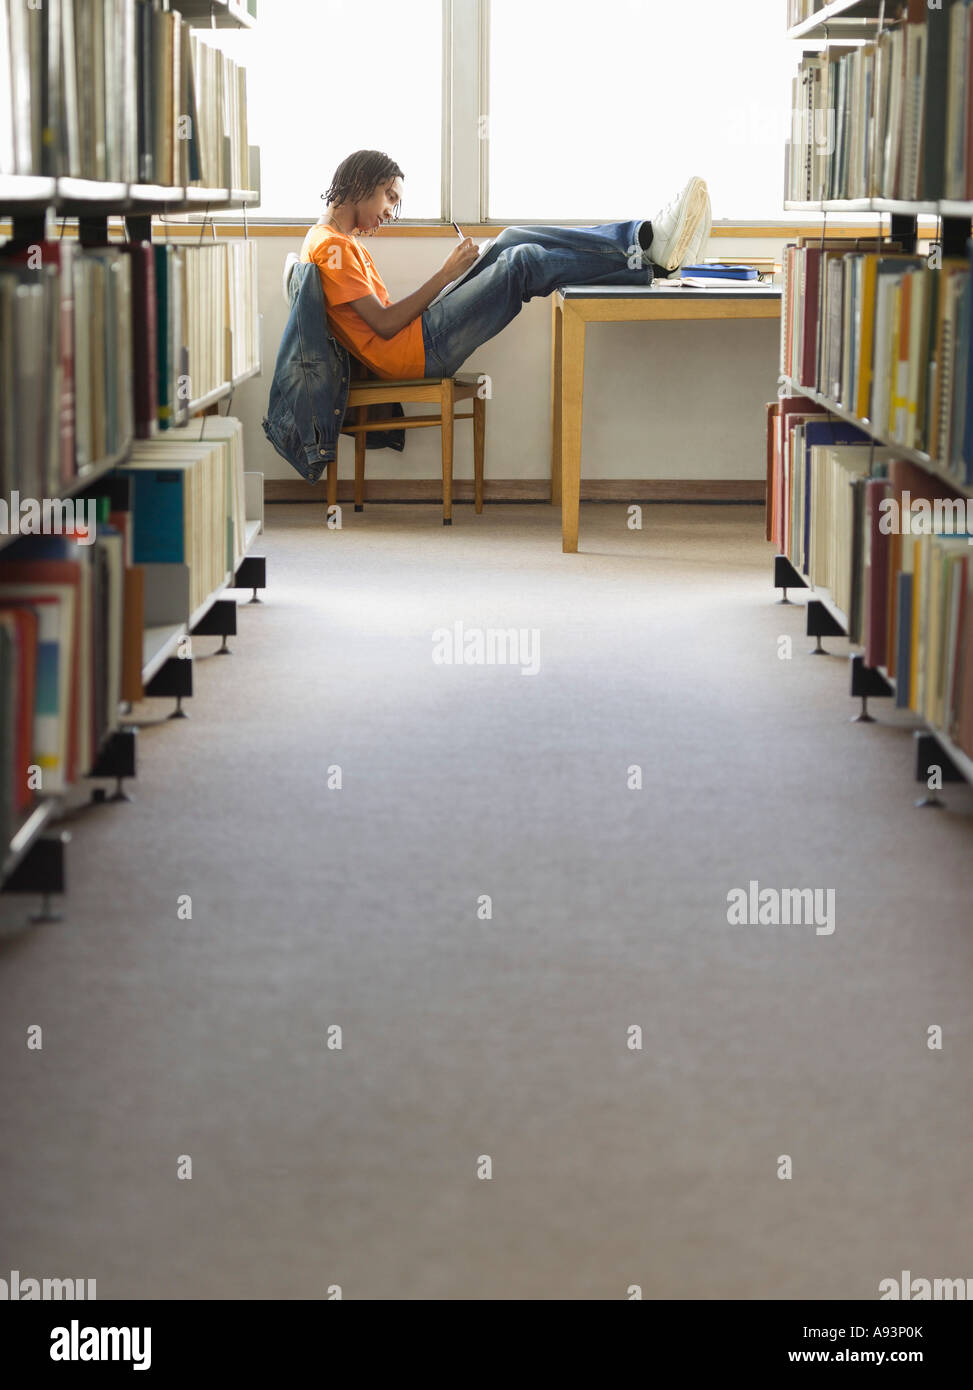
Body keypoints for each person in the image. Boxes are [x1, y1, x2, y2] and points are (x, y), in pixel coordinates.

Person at [298, 149, 711, 381]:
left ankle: (645, 239)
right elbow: (384, 325)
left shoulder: (335, 241)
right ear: (358, 185)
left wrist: (449, 278)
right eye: (390, 197)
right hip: (416, 351)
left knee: (511, 237)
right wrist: (446, 274)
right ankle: (650, 265)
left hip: (417, 336)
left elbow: (385, 320)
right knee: (522, 262)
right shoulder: (331, 247)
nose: (391, 212)